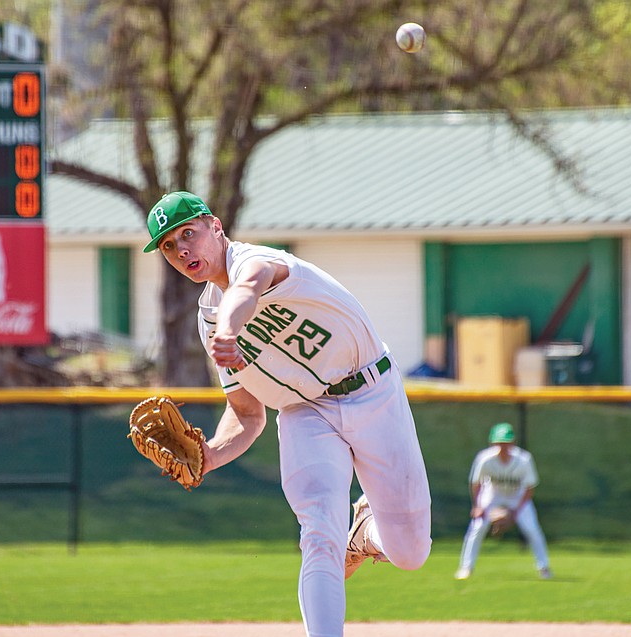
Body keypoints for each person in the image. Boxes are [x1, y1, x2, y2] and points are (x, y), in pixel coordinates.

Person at [143, 191, 432, 637]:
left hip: (372, 390)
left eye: (188, 234)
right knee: (319, 533)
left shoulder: (256, 262)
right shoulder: (207, 321)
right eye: (168, 245)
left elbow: (247, 289)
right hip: (304, 413)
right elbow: (247, 413)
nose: (181, 249)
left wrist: (228, 329)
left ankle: (363, 535)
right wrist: (211, 453)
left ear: (215, 226)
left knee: (411, 553)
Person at [455, 422, 552, 580]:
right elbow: (476, 483)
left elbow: (529, 489)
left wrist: (515, 511)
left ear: (512, 443)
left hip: (518, 496)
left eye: (506, 443)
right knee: (477, 527)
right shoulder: (485, 458)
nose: (503, 447)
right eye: (500, 443)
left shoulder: (524, 459)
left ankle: (544, 567)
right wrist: (477, 506)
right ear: (493, 443)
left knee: (532, 529)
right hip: (493, 493)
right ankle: (466, 567)